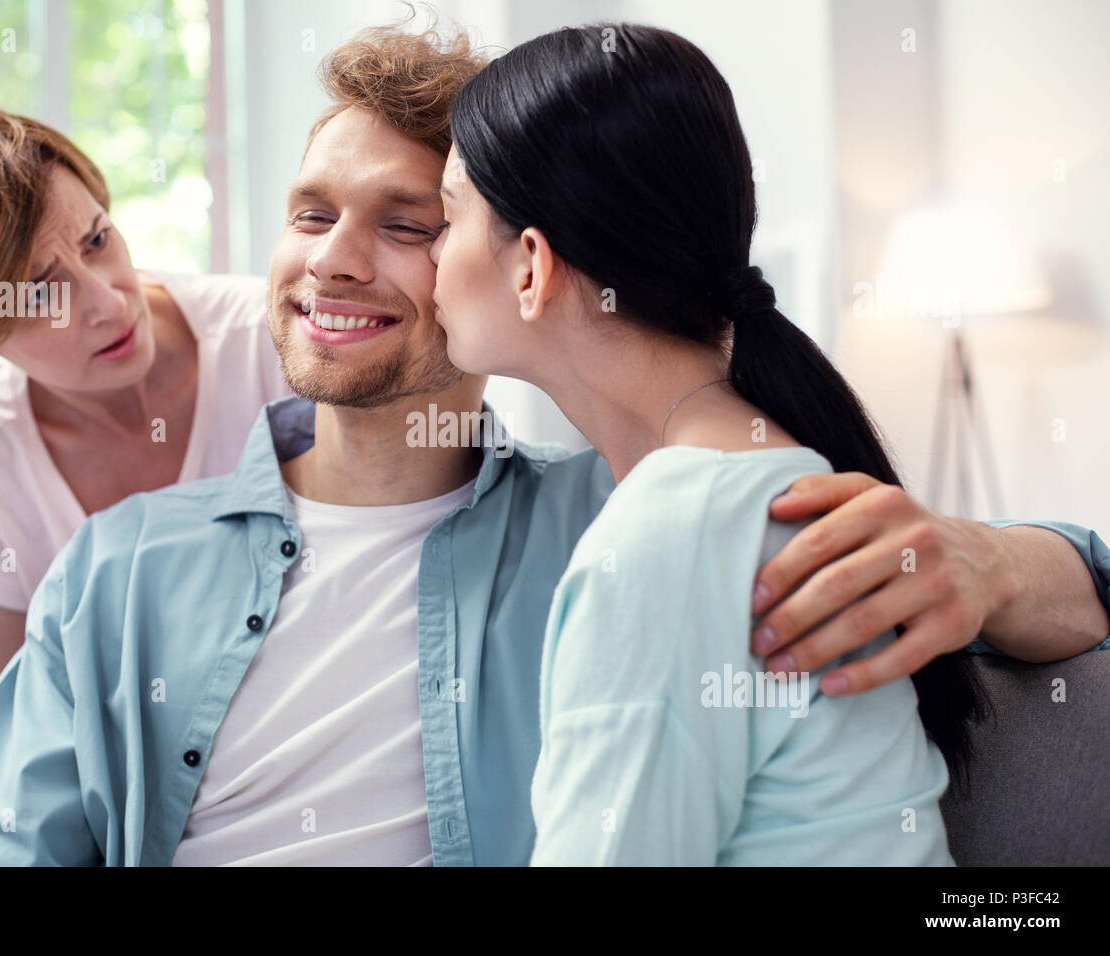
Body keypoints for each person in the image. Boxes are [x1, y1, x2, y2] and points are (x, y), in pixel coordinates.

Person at [0, 20, 1110, 867]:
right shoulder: (115, 574)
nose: (333, 257)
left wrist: (999, 559)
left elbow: (1073, 584)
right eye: (311, 212)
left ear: (517, 263)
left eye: (407, 225)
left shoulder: (626, 520)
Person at [432, 21, 1110, 864]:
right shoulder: (776, 475)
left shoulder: (667, 537)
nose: (431, 256)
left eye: (446, 217)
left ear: (530, 267)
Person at [0, 104, 290, 713]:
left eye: (98, 239)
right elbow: (7, 753)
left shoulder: (277, 345)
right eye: (40, 292)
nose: (109, 301)